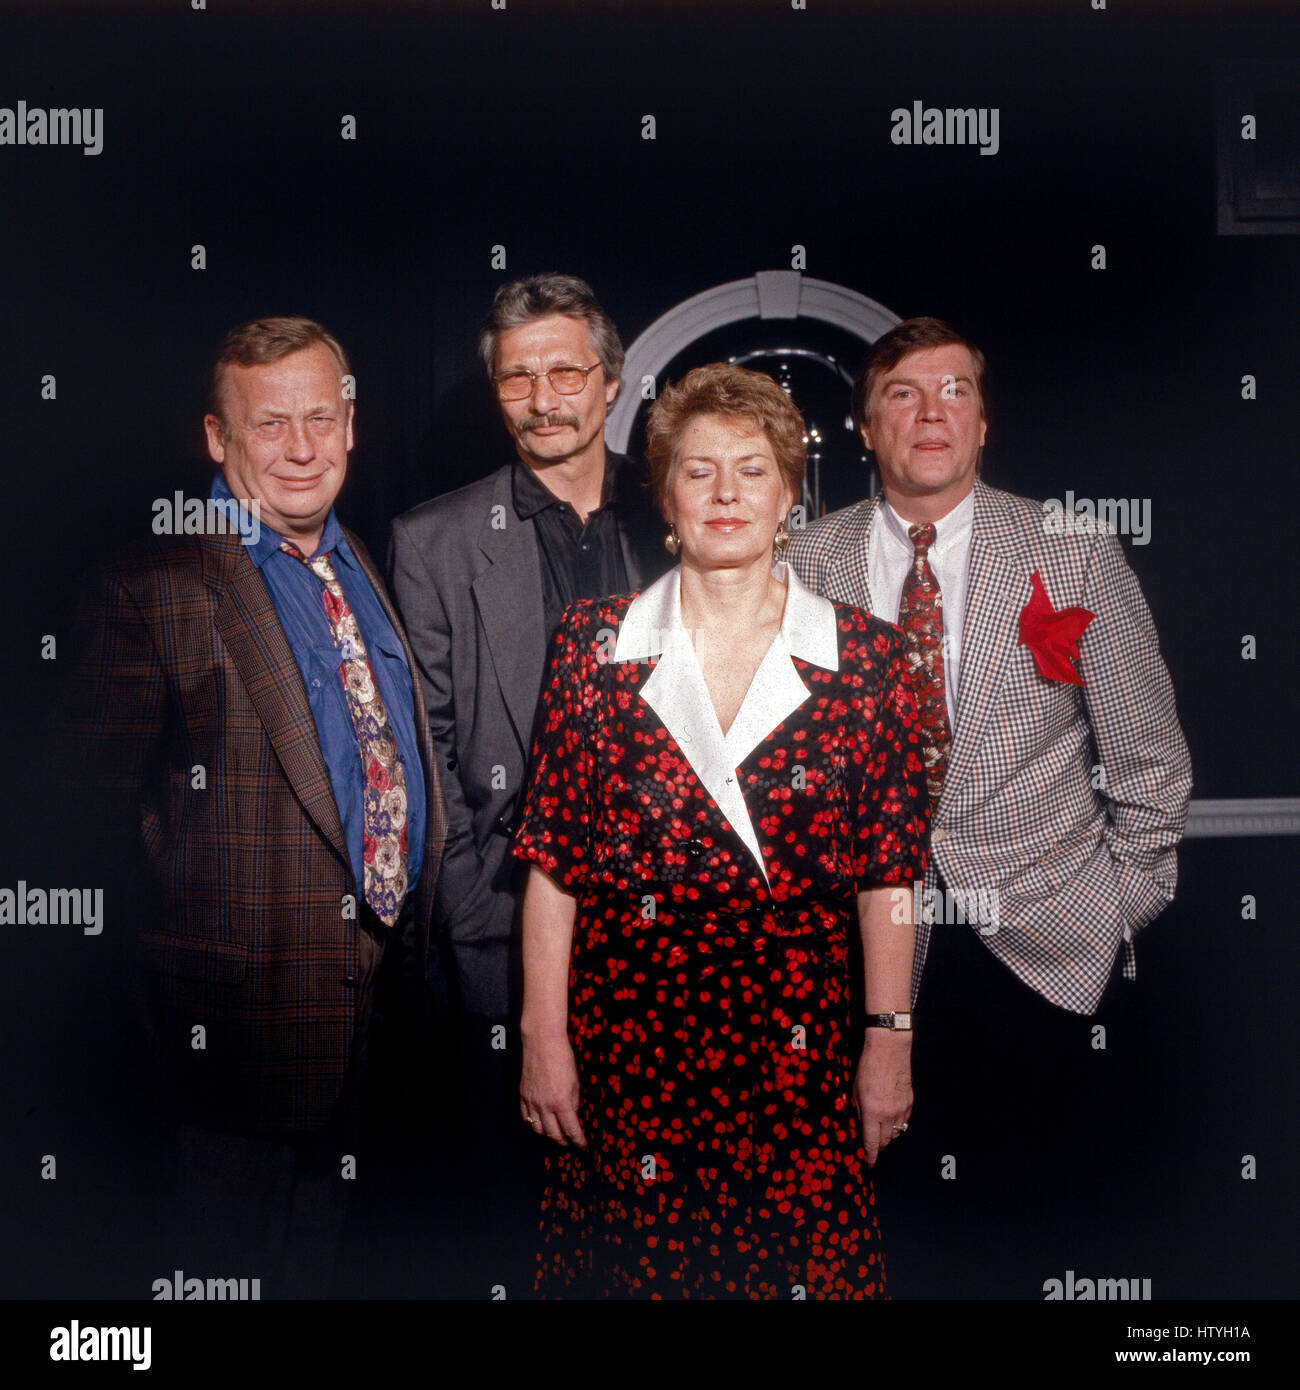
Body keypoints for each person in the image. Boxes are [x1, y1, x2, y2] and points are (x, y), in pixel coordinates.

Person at [786, 316, 1192, 1293]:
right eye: (902, 394)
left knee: (1031, 1238)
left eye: (954, 391)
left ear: (982, 422)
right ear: (864, 425)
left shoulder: (1072, 547)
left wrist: (1108, 910)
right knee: (888, 1234)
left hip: (1038, 944)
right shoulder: (804, 560)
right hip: (862, 953)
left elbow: (1149, 764)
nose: (931, 413)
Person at [512, 362, 930, 1298]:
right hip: (633, 1052)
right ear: (665, 495)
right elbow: (552, 869)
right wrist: (543, 1035)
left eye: (751, 469)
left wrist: (889, 1040)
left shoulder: (868, 657)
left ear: (790, 491)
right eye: (698, 472)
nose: (726, 494)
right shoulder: (592, 643)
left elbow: (888, 877)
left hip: (799, 1052)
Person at [53, 316, 445, 1297]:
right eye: (269, 426)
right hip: (228, 1057)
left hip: (382, 1029)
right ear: (218, 441)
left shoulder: (356, 559)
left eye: (322, 417)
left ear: (353, 426)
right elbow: (72, 845)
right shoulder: (152, 589)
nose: (303, 448)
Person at [387, 275, 666, 1289]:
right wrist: (474, 920)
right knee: (521, 1238)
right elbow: (428, 750)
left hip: (680, 934)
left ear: (610, 379)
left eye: (564, 372)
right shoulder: (434, 540)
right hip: (505, 939)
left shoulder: (685, 503)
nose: (543, 398)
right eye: (517, 378)